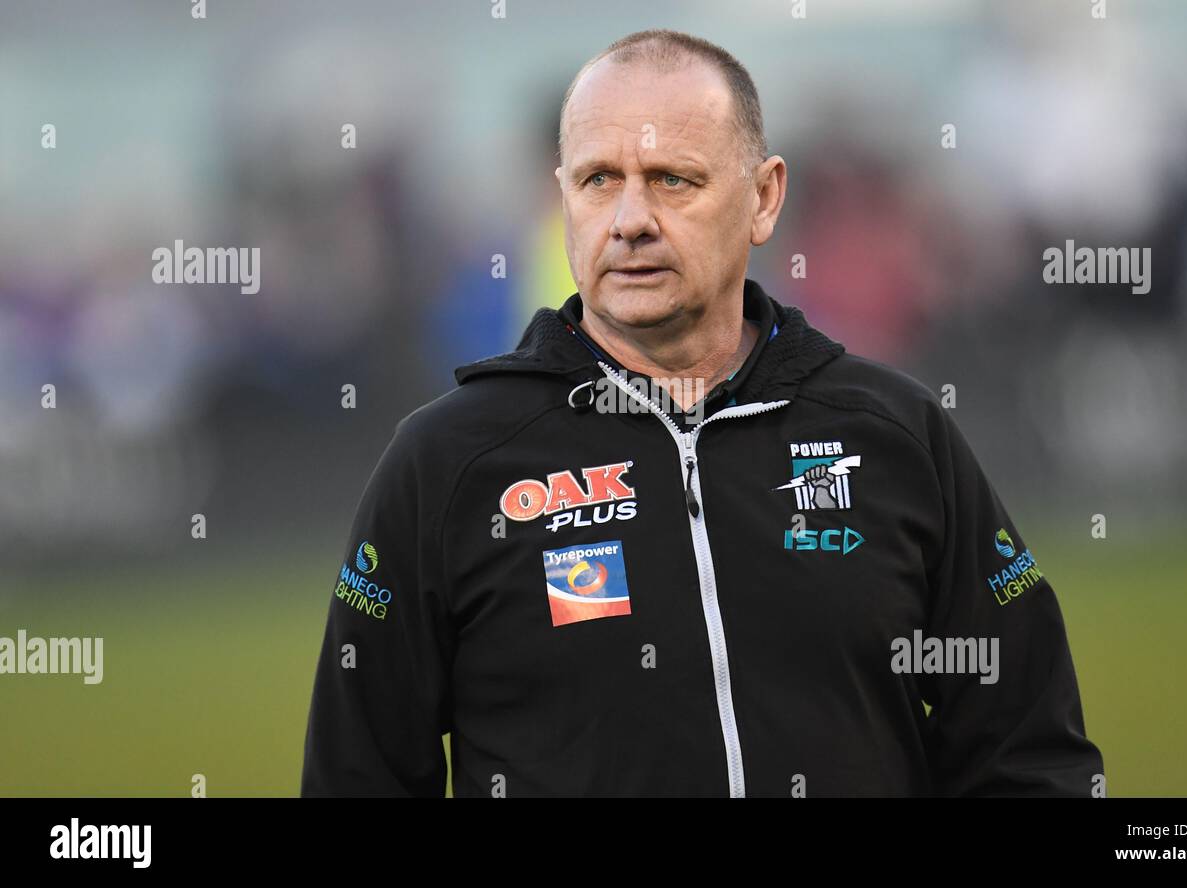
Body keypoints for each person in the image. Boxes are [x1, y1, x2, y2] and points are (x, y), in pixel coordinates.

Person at [301, 28, 1104, 797]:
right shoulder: (446, 464)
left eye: (672, 179)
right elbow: (358, 778)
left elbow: (1028, 751)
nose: (631, 219)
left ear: (763, 198)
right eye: (598, 180)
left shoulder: (897, 434)